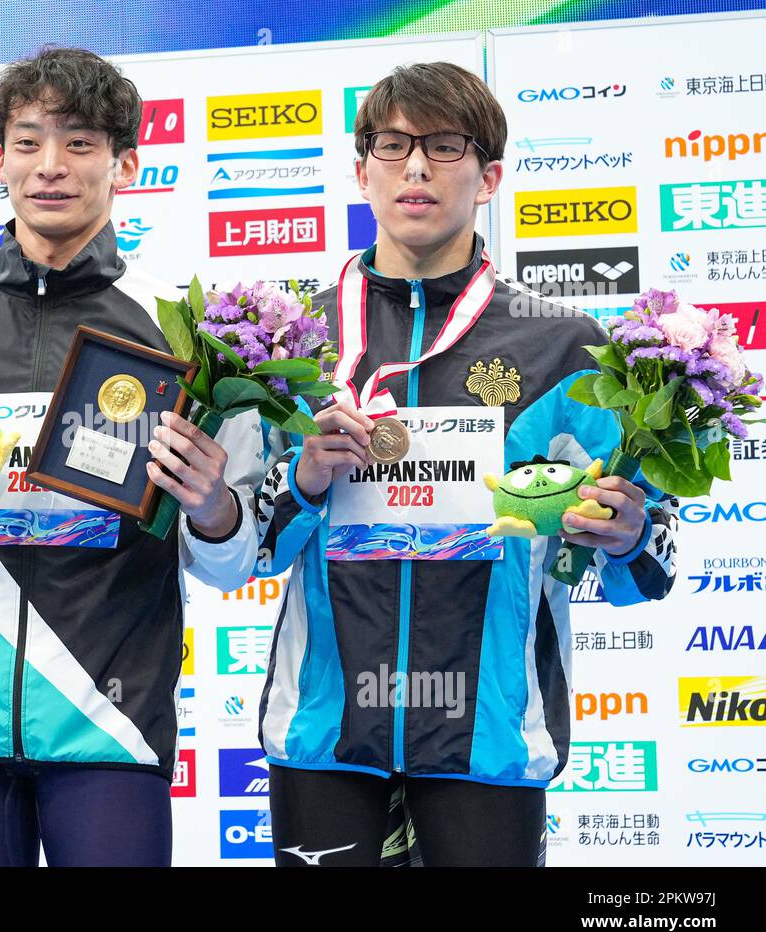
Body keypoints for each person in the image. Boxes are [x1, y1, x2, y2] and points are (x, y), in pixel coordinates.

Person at [250, 62, 678, 866]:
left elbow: (650, 553)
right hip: (325, 728)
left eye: (445, 147)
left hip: (492, 735)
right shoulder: (290, 336)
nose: (416, 167)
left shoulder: (565, 343)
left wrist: (626, 536)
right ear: (361, 169)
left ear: (489, 178)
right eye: (394, 144)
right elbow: (240, 543)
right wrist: (302, 482)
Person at [0, 46, 262, 866]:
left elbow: (229, 561)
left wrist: (214, 509)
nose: (51, 166)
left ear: (127, 163)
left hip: (111, 723)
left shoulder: (192, 324)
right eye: (28, 140)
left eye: (80, 143)